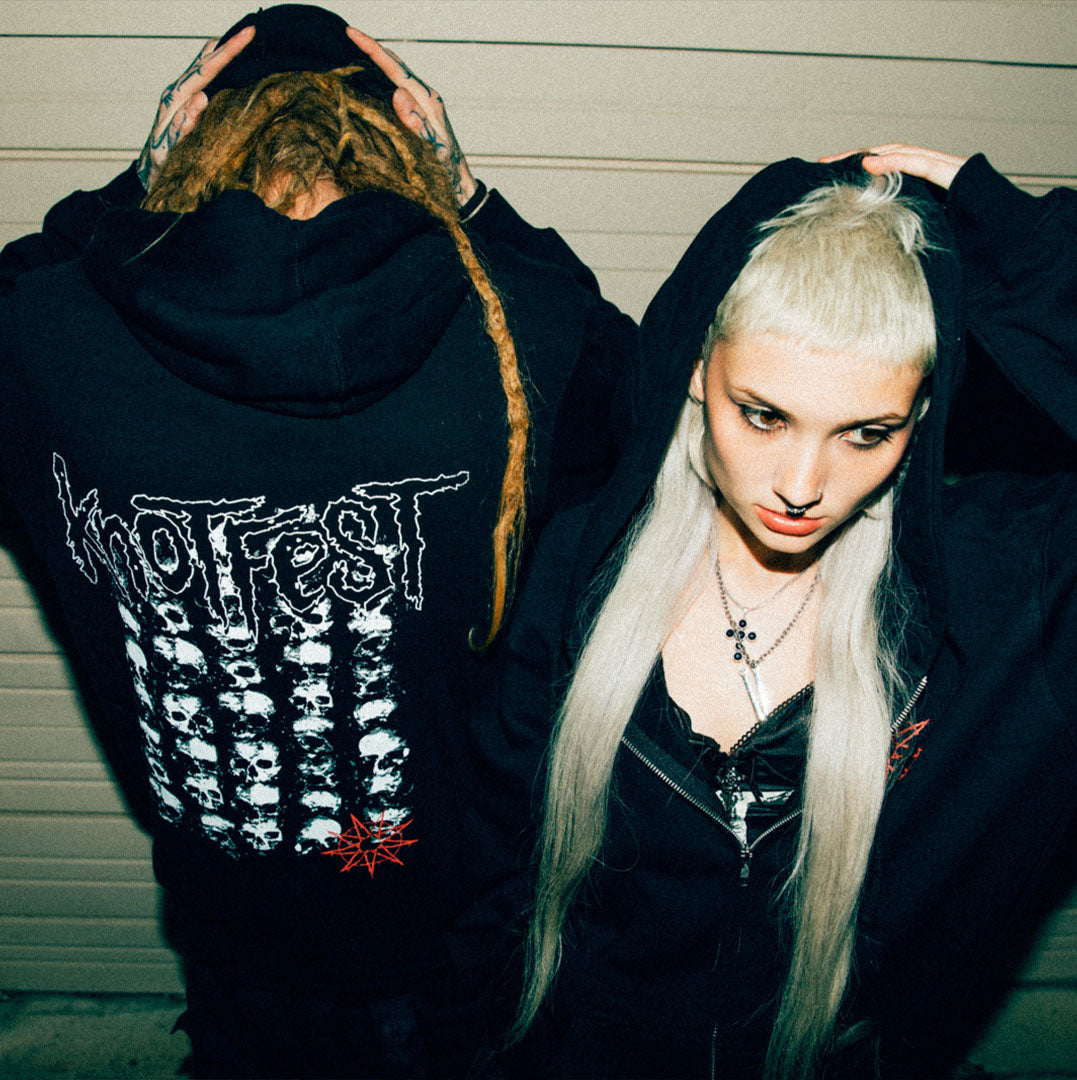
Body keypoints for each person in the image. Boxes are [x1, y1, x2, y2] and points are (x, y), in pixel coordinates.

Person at [0, 4, 635, 1077]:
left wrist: (126, 193)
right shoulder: (515, 318)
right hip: (449, 912)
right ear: (404, 146)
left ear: (191, 139)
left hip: (233, 918)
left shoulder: (48, 335)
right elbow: (645, 403)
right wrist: (474, 199)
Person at [489, 148, 1077, 1078]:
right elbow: (489, 876)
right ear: (696, 370)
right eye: (763, 415)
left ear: (923, 415)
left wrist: (1022, 242)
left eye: (867, 433)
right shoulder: (577, 569)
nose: (802, 487)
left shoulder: (1008, 598)